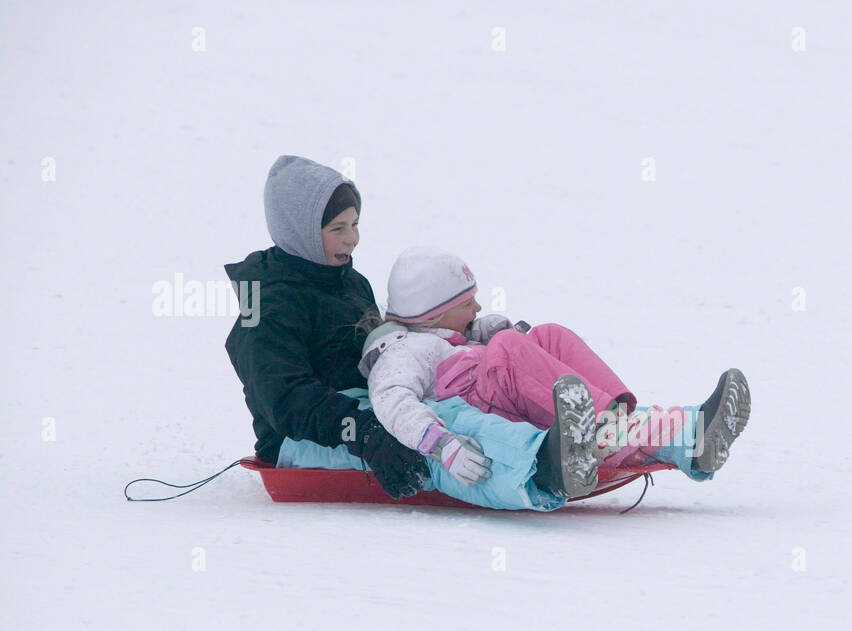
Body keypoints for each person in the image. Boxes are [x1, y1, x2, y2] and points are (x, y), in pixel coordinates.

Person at [224, 156, 594, 506]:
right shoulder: (265, 306)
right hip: (304, 439)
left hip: (372, 406)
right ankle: (541, 469)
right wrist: (366, 433)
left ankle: (572, 437)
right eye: (337, 229)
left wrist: (465, 338)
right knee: (443, 436)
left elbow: (388, 344)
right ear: (299, 232)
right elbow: (284, 399)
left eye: (354, 225)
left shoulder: (350, 283)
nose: (352, 239)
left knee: (455, 404)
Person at [359, 246, 752, 484]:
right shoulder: (402, 352)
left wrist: (484, 333)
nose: (477, 307)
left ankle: (640, 422)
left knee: (547, 334)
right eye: (467, 304)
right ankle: (607, 429)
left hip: (497, 390)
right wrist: (440, 445)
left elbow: (476, 340)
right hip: (476, 404)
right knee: (511, 346)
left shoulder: (445, 337)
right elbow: (391, 399)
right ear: (434, 314)